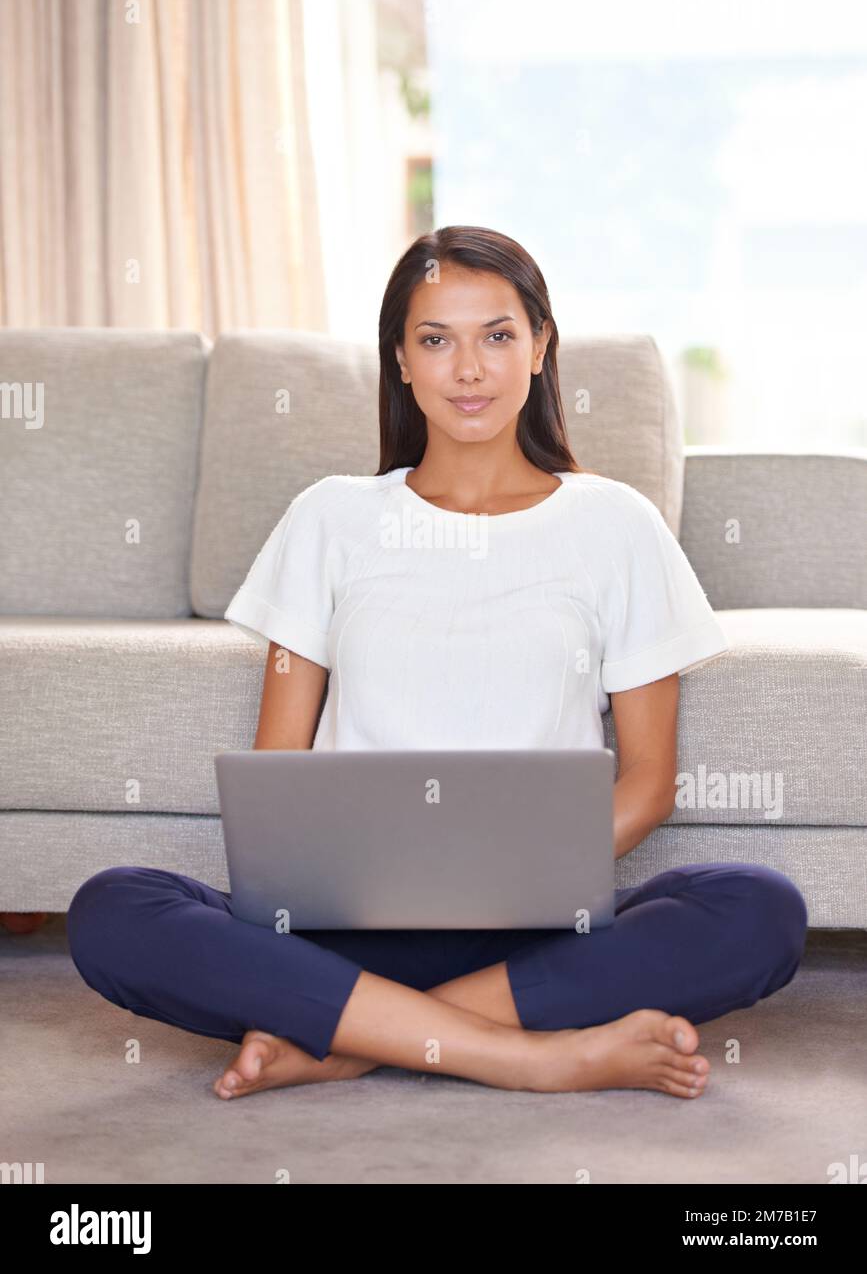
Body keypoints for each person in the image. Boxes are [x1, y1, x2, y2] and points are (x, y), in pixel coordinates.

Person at [67, 225, 808, 1099]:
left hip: (534, 933)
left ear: (539, 347)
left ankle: (352, 1038)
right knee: (115, 907)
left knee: (758, 908)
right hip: (345, 928)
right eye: (435, 340)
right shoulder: (330, 517)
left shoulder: (616, 525)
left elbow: (647, 782)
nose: (468, 370)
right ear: (401, 360)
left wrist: (521, 876)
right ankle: (534, 1056)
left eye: (496, 335)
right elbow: (276, 770)